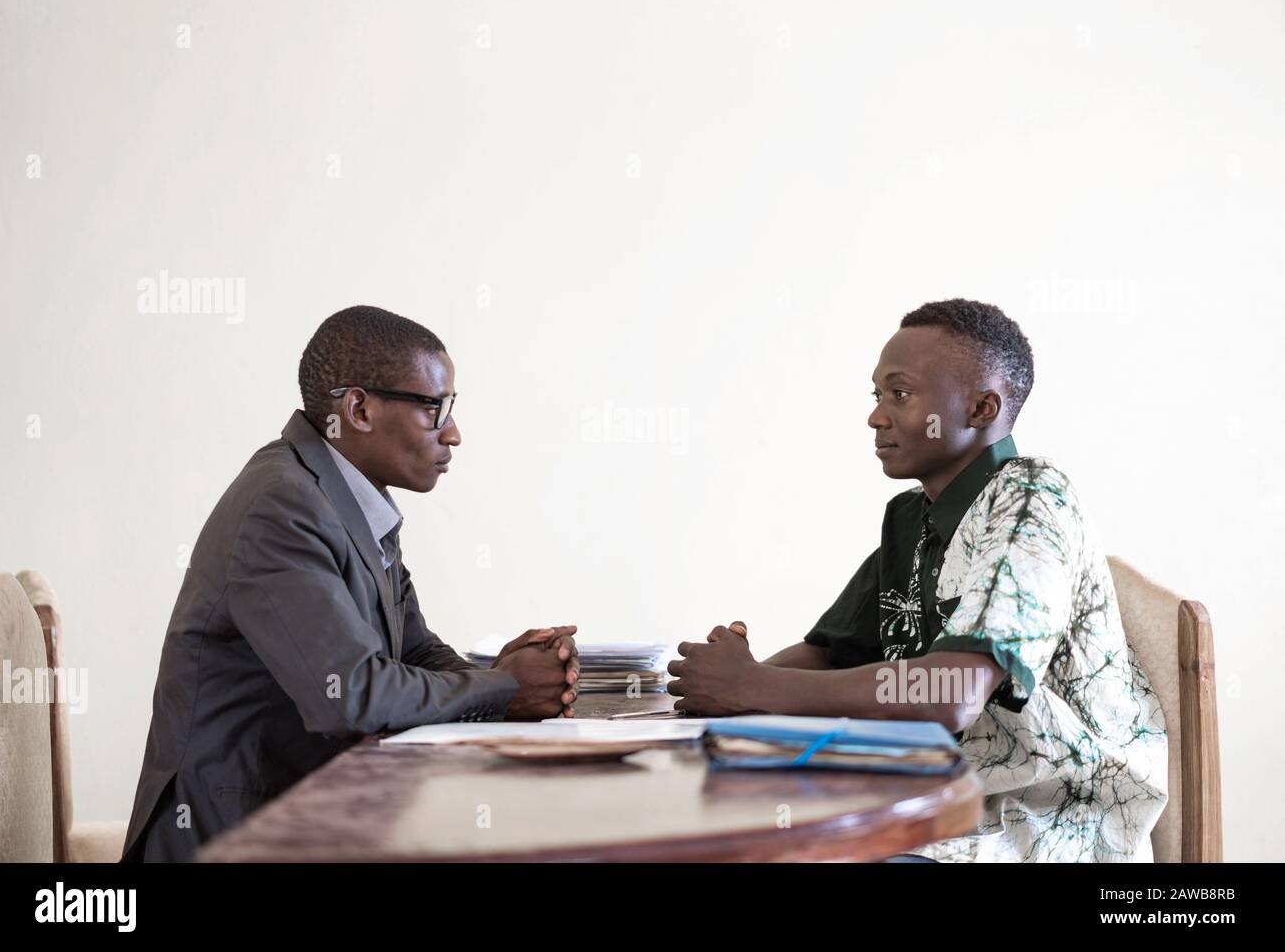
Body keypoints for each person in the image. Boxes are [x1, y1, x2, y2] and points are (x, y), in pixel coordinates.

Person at [667, 299, 1167, 862]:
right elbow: (831, 654)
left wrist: (753, 689)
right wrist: (711, 687)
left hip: (1043, 823)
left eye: (899, 395)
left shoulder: (1031, 498)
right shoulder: (912, 517)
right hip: (933, 799)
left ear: (981, 408)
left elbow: (952, 692)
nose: (877, 416)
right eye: (876, 395)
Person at [123, 305, 579, 861]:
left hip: (313, 821)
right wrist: (504, 689)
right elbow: (354, 694)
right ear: (359, 408)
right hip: (232, 838)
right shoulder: (282, 503)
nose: (453, 433)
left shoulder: (353, 496)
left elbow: (414, 648)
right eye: (435, 408)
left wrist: (501, 675)